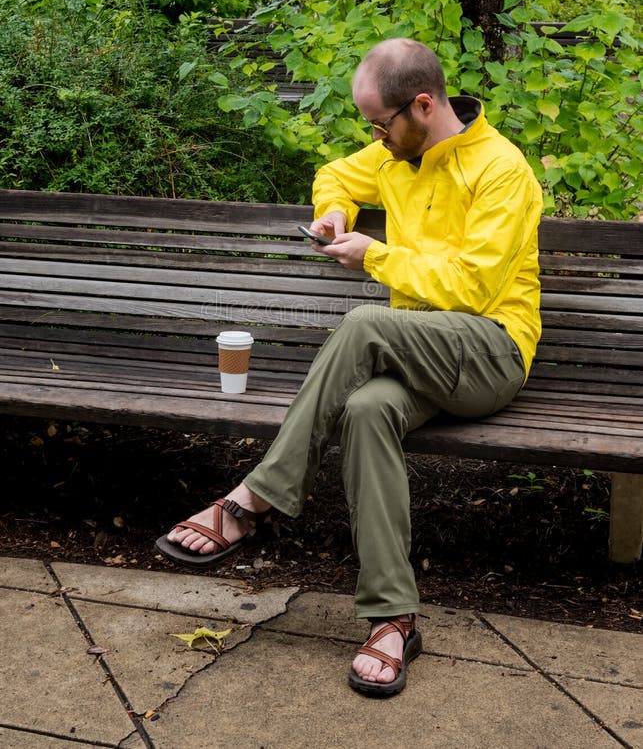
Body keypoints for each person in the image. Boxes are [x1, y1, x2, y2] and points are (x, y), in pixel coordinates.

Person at [155, 37, 543, 697]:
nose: (375, 138)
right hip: (418, 352)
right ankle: (392, 619)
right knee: (365, 411)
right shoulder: (399, 153)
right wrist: (331, 211)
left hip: (490, 351)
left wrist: (376, 257)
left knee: (364, 323)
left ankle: (258, 497)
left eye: (379, 124)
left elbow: (475, 289)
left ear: (422, 105)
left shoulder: (501, 171)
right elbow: (337, 174)